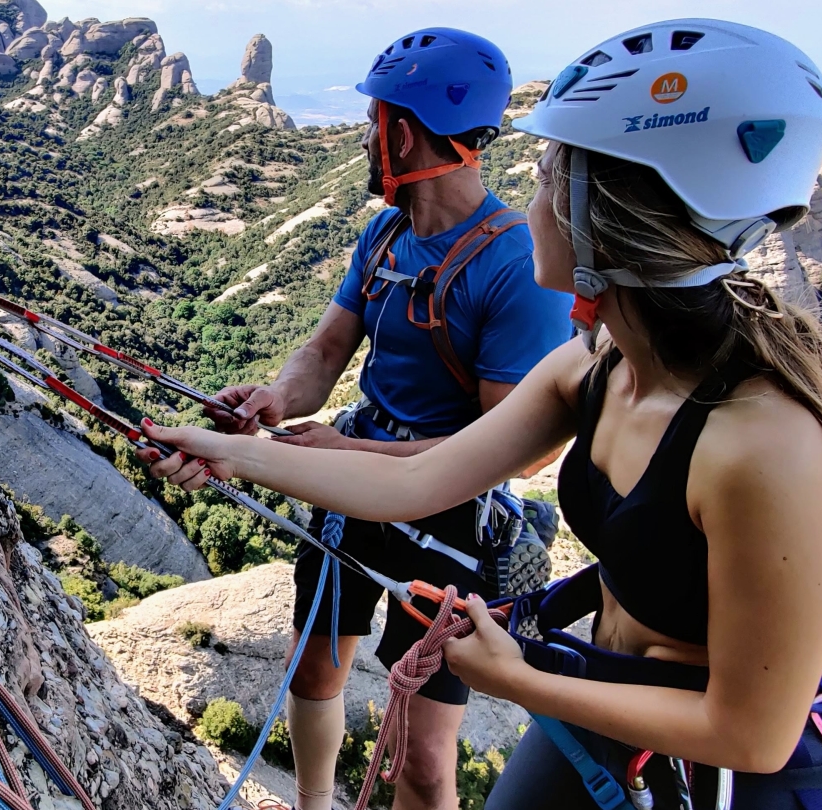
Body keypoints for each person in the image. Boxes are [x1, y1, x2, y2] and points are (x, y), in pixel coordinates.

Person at [144, 18, 822, 810]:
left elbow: (753, 733)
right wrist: (228, 452)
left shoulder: (766, 446)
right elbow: (417, 484)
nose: (533, 195)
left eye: (552, 176)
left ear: (604, 212)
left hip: (713, 770)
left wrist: (521, 681)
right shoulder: (593, 366)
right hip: (602, 706)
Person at [202, 27, 573, 810]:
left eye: (374, 123)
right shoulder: (386, 235)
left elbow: (503, 452)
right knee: (314, 668)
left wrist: (346, 453)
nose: (367, 141)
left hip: (451, 524)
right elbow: (329, 344)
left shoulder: (515, 268)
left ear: (400, 132)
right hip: (355, 478)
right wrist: (276, 398)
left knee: (426, 755)